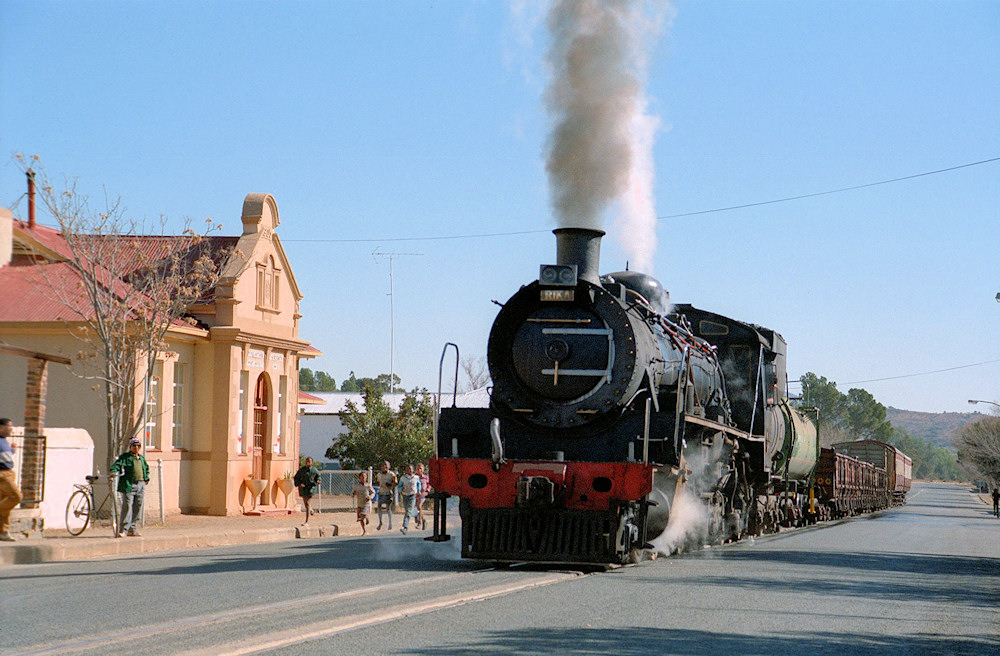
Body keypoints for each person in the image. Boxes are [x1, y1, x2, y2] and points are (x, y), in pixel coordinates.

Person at [109, 436, 150, 538]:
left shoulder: (141, 458)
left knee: (138, 506)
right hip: (129, 484)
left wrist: (146, 478)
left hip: (140, 484)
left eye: (138, 446)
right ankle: (123, 530)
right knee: (127, 506)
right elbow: (117, 465)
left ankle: (133, 529)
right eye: (134, 446)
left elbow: (146, 468)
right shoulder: (125, 457)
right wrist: (113, 471)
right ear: (130, 447)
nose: (136, 448)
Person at [0, 418, 23, 542]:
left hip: (9, 473)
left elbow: (5, 456)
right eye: (9, 426)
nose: (11, 429)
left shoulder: (4, 441)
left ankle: (3, 532)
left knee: (5, 502)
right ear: (1, 427)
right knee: (16, 497)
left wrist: (13, 450)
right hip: (2, 474)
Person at [397, 464, 422, 535]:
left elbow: (418, 484)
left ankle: (405, 527)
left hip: (412, 495)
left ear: (413, 470)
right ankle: (416, 513)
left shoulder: (416, 477)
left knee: (408, 512)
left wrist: (419, 491)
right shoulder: (403, 478)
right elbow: (399, 486)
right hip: (405, 495)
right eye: (407, 469)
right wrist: (401, 489)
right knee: (408, 510)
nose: (409, 470)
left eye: (410, 469)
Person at [294, 457, 321, 525]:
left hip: (311, 488)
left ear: (312, 462)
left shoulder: (314, 470)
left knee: (307, 504)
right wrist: (299, 484)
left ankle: (306, 521)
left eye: (309, 461)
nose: (307, 463)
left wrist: (318, 480)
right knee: (305, 503)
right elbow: (296, 477)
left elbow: (318, 476)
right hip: (303, 488)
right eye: (306, 461)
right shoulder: (302, 470)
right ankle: (311, 510)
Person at [375, 461, 397, 531]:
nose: (384, 466)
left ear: (389, 466)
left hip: (388, 493)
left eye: (386, 465)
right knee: (379, 508)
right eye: (383, 465)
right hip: (381, 492)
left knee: (388, 508)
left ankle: (390, 523)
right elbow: (377, 482)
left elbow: (396, 483)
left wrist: (390, 484)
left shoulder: (392, 474)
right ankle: (380, 522)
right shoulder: (379, 474)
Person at [352, 471, 376, 535]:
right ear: (359, 477)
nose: (363, 478)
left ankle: (367, 517)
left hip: (366, 503)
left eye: (365, 476)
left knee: (363, 514)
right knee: (360, 518)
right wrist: (353, 494)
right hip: (359, 503)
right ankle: (364, 530)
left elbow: (373, 492)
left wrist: (370, 497)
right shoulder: (357, 486)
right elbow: (352, 494)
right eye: (362, 476)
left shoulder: (368, 485)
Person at [414, 462, 431, 531]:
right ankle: (423, 520)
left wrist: (428, 489)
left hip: (423, 495)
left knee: (419, 506)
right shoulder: (414, 477)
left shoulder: (426, 477)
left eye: (420, 468)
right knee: (416, 508)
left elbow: (429, 484)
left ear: (423, 470)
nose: (419, 470)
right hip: (416, 495)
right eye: (417, 468)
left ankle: (419, 522)